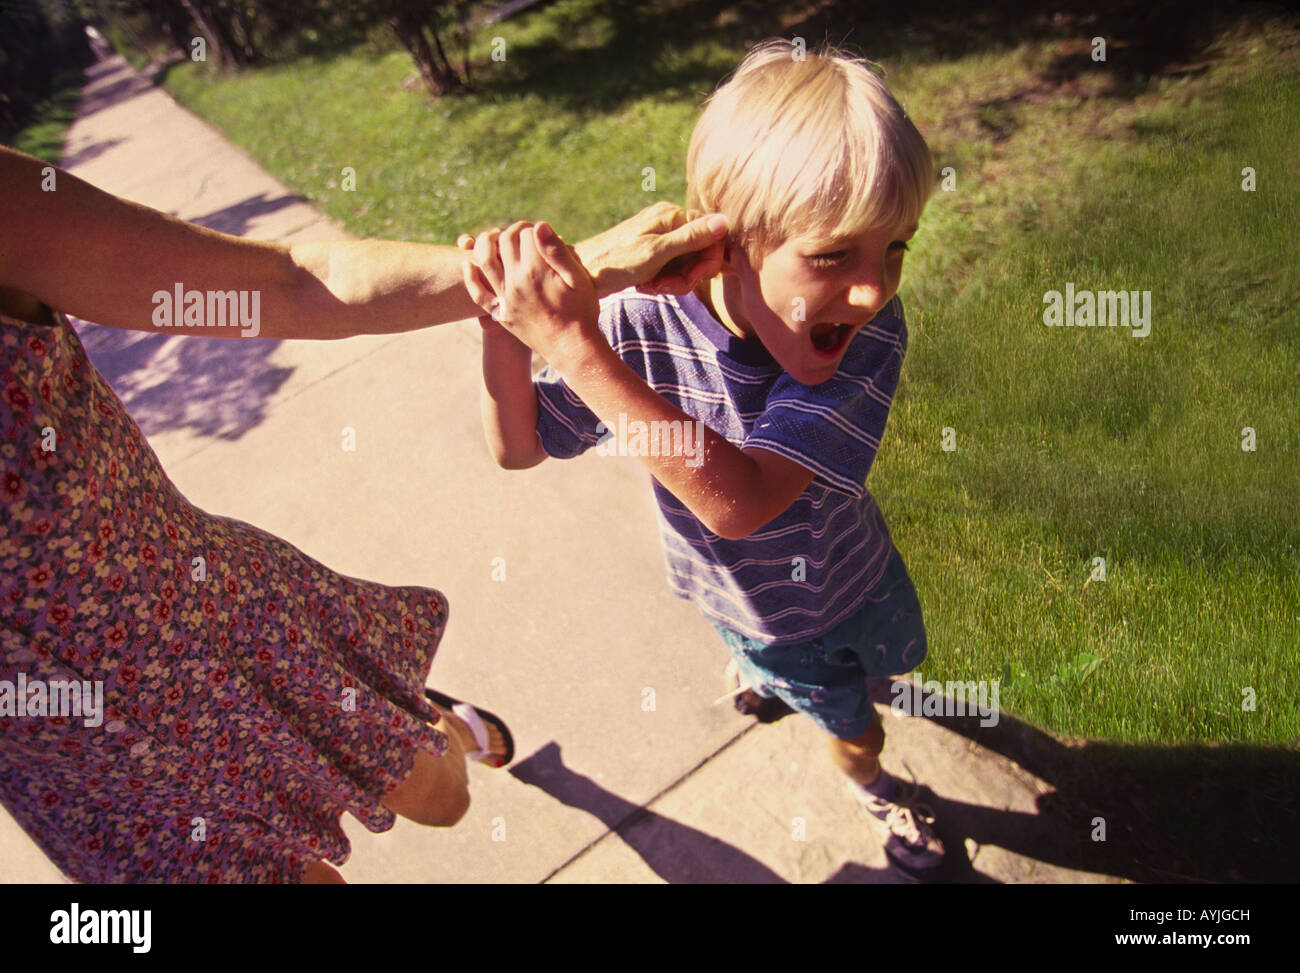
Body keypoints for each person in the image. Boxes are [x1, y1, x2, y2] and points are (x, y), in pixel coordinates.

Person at [0, 144, 726, 883]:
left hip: (223, 636)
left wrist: (549, 280)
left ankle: (438, 719)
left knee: (446, 801)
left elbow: (290, 285)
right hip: (70, 775)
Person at [465, 40, 946, 876]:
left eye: (896, 247)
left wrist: (577, 347)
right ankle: (873, 790)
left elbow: (743, 499)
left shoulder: (865, 336)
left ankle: (773, 681)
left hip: (853, 571)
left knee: (885, 667)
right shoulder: (632, 332)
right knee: (856, 725)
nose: (875, 289)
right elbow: (518, 446)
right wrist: (509, 330)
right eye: (835, 255)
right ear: (725, 239)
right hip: (756, 606)